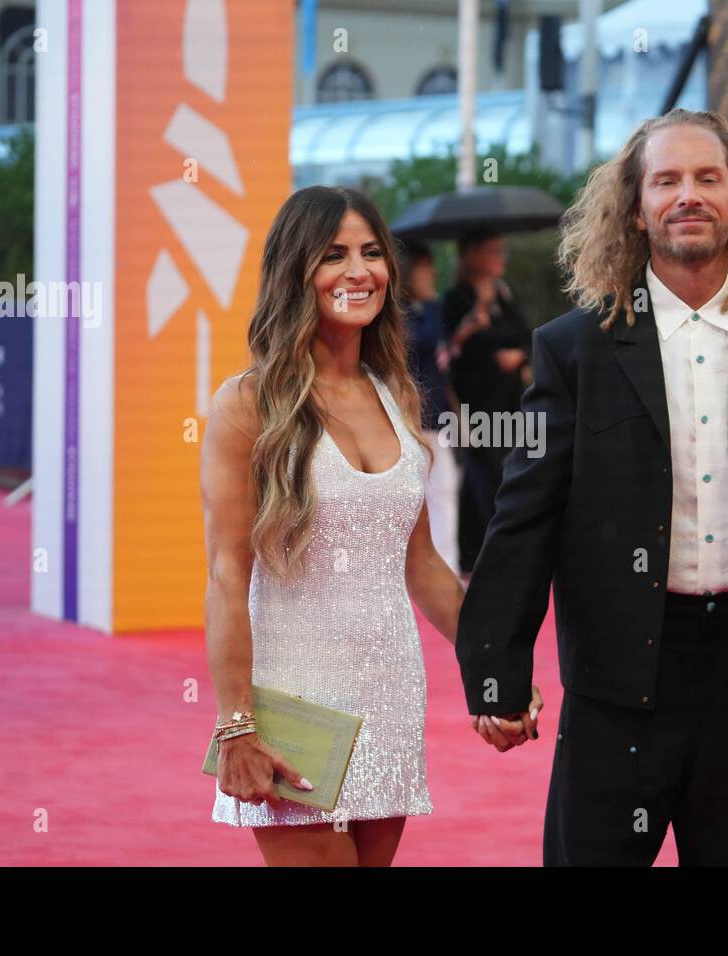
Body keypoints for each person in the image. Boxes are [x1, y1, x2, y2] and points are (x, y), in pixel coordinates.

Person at [455, 109, 728, 866]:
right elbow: (524, 517)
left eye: (707, 178)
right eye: (668, 180)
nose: (689, 195)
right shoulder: (574, 346)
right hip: (615, 681)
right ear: (635, 206)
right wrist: (496, 668)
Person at [200, 186, 527, 866]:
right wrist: (236, 726)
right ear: (296, 270)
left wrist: (495, 669)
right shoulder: (248, 404)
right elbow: (228, 574)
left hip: (390, 692)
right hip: (292, 701)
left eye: (372, 253)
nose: (359, 271)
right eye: (334, 255)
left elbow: (424, 566)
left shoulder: (395, 392)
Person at [441, 229, 533, 574]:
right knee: (486, 475)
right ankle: (495, 551)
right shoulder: (456, 299)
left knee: (509, 470)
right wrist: (480, 317)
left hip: (509, 401)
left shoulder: (504, 295)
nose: (501, 258)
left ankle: (474, 552)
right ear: (474, 255)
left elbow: (526, 334)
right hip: (474, 405)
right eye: (494, 250)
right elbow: (459, 351)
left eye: (502, 250)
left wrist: (518, 354)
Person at [400, 241, 460, 574]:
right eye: (425, 265)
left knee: (445, 490)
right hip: (406, 419)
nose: (432, 272)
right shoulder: (394, 312)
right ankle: (408, 571)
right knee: (409, 498)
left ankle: (447, 569)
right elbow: (416, 342)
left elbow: (440, 347)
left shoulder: (434, 307)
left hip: (437, 416)